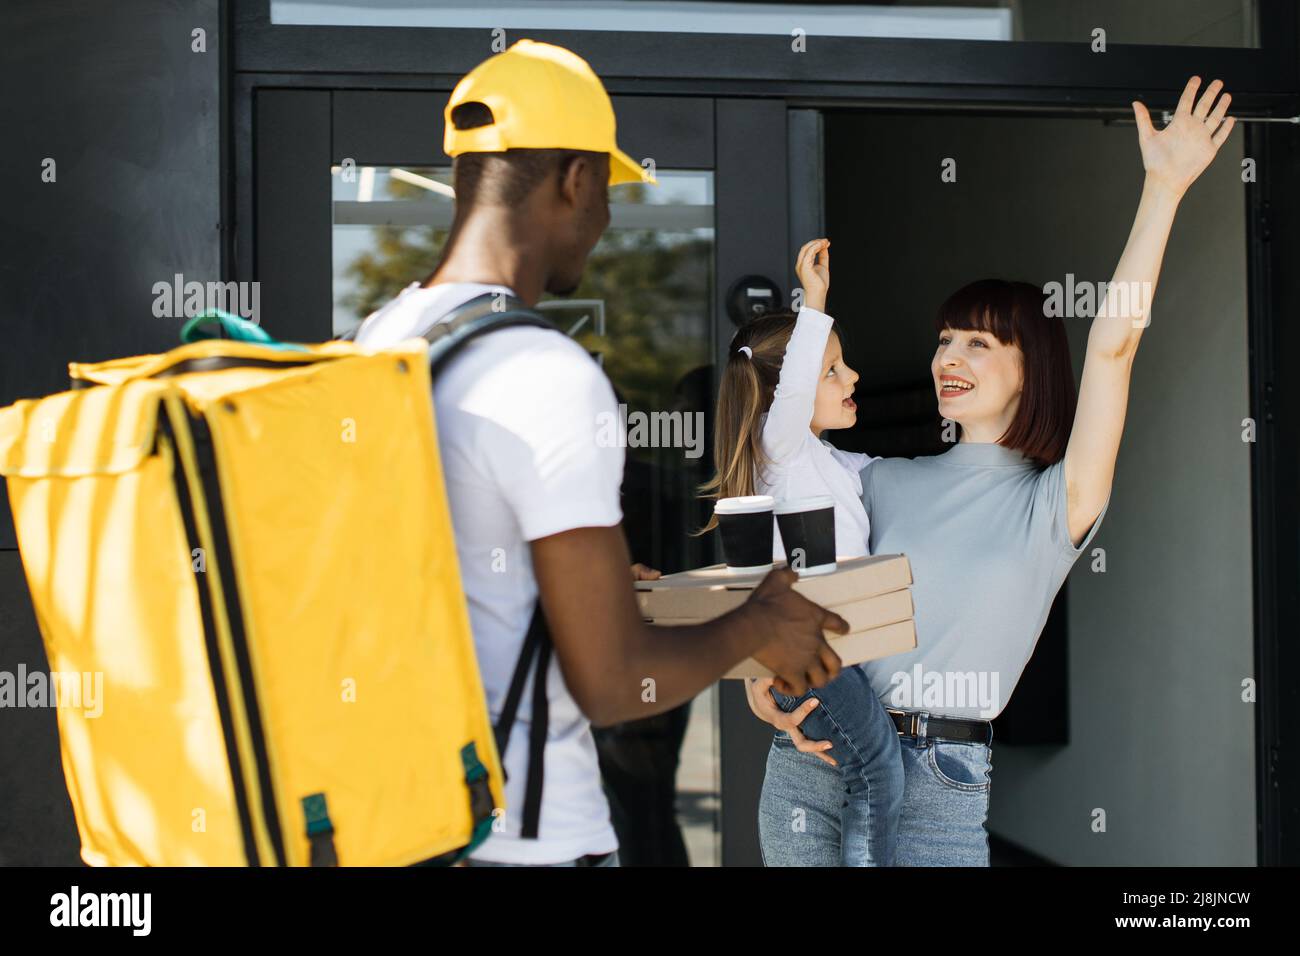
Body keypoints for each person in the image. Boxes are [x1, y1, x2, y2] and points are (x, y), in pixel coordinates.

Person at [352, 38, 847, 867]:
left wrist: (586, 589)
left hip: (408, 821)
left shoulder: (382, 339)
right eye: (607, 191)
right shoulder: (543, 368)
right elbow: (617, 684)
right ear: (575, 180)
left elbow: (446, 565)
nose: (608, 219)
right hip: (524, 839)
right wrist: (758, 622)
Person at [746, 75, 1236, 866]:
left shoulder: (1057, 503)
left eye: (979, 342)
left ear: (1029, 368)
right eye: (946, 339)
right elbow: (780, 557)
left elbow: (1115, 344)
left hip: (941, 778)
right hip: (815, 763)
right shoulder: (874, 478)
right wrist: (756, 678)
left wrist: (1164, 189)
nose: (949, 356)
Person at [700, 238, 903, 865]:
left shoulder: (827, 461)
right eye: (831, 370)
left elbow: (906, 476)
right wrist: (814, 301)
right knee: (879, 773)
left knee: (865, 778)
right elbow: (789, 398)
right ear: (785, 390)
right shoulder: (780, 451)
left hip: (824, 657)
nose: (853, 378)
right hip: (813, 655)